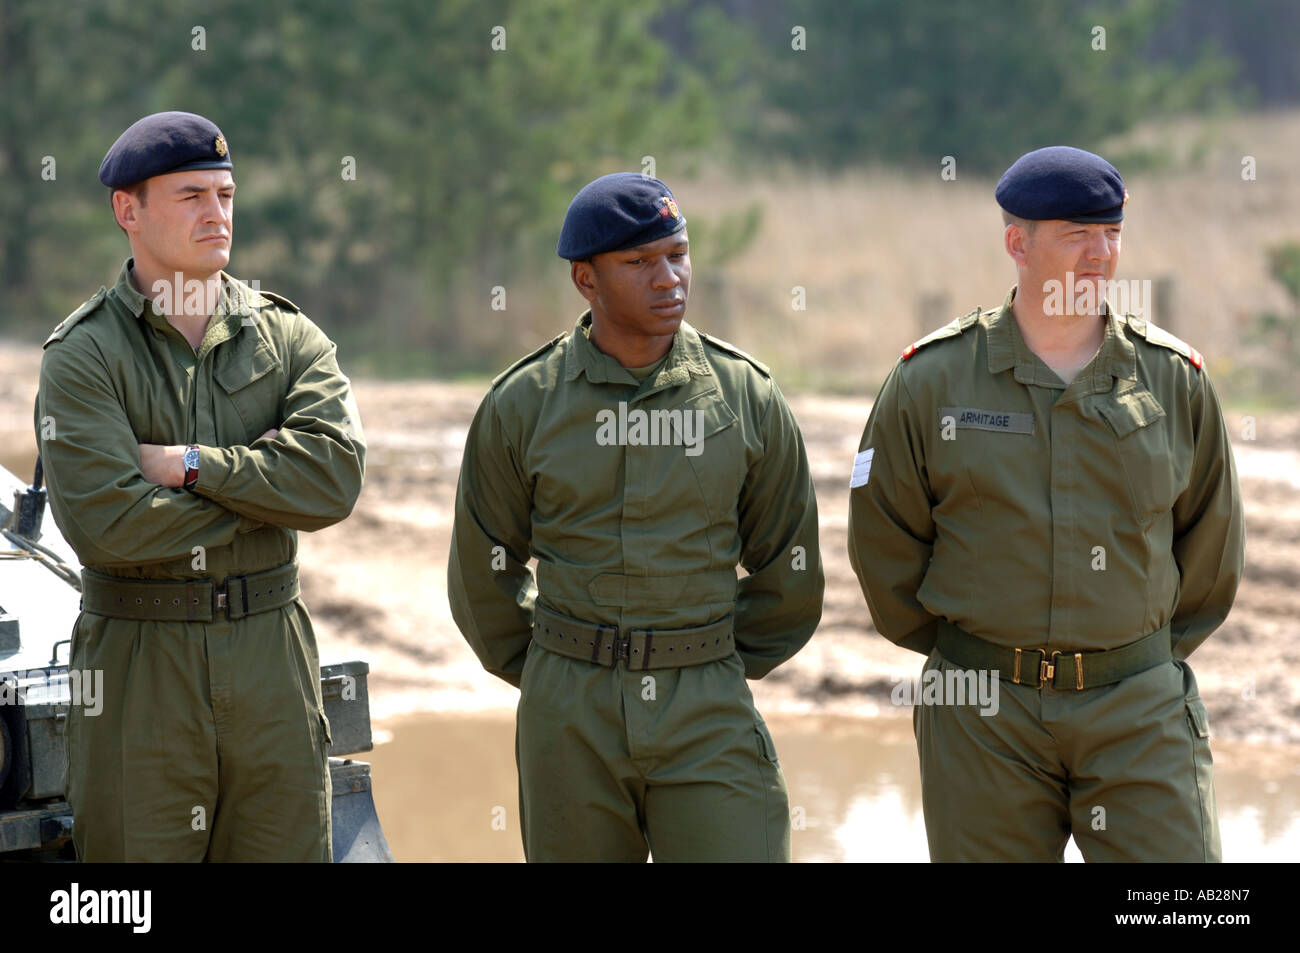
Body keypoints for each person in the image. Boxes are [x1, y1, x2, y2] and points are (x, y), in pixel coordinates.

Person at [847, 145, 1244, 862]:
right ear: (1016, 244)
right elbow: (884, 543)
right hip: (982, 713)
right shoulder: (930, 381)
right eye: (1076, 234)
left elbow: (1211, 548)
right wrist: (969, 651)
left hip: (1139, 709)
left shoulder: (1173, 379)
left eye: (1112, 234)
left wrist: (1138, 655)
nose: (1101, 254)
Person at [448, 172, 823, 862]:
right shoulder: (524, 403)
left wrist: (712, 658)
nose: (669, 277)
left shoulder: (746, 396)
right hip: (570, 710)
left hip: (706, 701)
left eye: (678, 254)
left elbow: (789, 565)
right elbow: (483, 572)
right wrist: (556, 669)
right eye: (640, 263)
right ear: (585, 280)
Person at [34, 111, 365, 861]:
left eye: (226, 195)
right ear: (129, 210)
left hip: (271, 657)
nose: (218, 215)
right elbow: (108, 527)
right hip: (140, 667)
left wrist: (191, 465)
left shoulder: (288, 339)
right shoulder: (83, 356)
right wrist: (266, 492)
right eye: (191, 197)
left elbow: (334, 481)